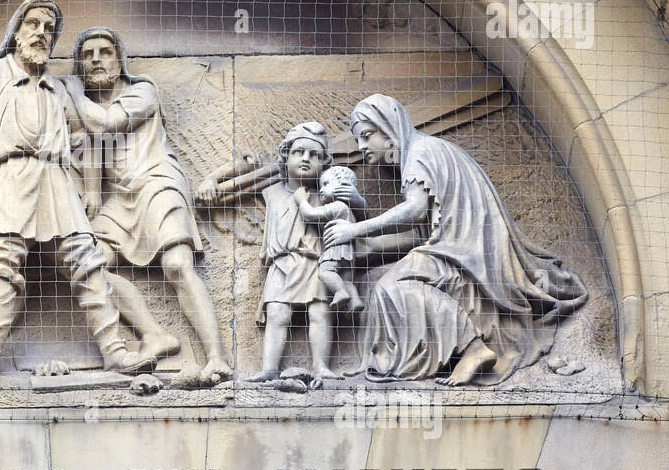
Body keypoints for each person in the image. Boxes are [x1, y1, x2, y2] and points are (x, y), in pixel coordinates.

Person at [0, 0, 148, 386]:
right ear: (16, 31)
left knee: (86, 262)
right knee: (1, 265)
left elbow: (81, 140)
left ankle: (115, 352)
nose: (41, 34)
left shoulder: (59, 88)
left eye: (48, 29)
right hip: (10, 175)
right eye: (33, 25)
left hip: (55, 180)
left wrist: (89, 189)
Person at [323, 94, 589, 386]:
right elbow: (420, 234)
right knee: (376, 280)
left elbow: (415, 210)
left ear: (388, 128)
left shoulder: (420, 152)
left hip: (462, 257)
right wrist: (369, 248)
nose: (361, 147)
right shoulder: (430, 152)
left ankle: (473, 348)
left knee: (389, 288)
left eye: (366, 135)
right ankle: (389, 360)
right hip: (456, 251)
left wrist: (355, 231)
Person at [60, 26, 233, 386]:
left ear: (120, 59)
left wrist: (72, 88)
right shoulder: (86, 107)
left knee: (177, 265)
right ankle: (154, 334)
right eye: (87, 54)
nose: (95, 59)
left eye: (104, 51)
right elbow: (90, 148)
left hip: (157, 183)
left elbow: (105, 125)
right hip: (119, 200)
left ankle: (216, 358)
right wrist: (91, 193)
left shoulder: (143, 90)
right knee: (88, 267)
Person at [251, 122, 357, 383]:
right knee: (277, 314)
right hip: (282, 263)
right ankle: (269, 369)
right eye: (299, 152)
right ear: (286, 156)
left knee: (320, 313)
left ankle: (321, 365)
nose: (307, 159)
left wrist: (353, 199)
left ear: (324, 163)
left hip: (315, 264)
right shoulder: (272, 192)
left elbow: (353, 223)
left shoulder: (328, 196)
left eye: (315, 155)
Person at [295, 164, 366, 313]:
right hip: (349, 254)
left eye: (326, 184)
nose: (321, 189)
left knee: (325, 272)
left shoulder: (337, 206)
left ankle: (340, 292)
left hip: (335, 250)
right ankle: (355, 301)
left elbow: (310, 215)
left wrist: (301, 200)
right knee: (347, 280)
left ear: (343, 185)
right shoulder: (350, 210)